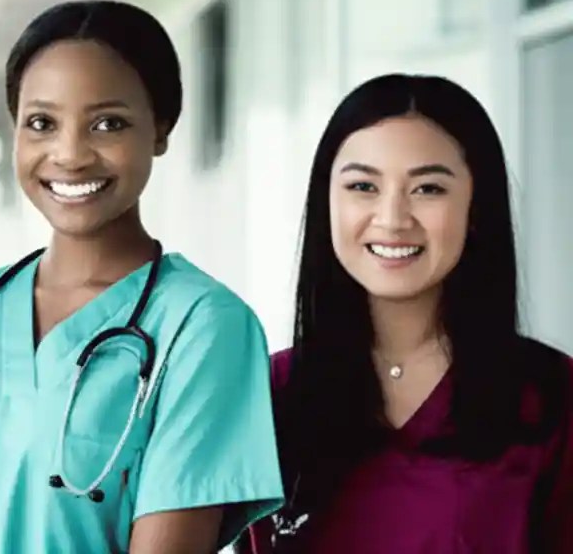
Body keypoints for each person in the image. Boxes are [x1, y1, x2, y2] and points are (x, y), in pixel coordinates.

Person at [0, 0, 284, 553]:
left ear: (161, 127)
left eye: (108, 123)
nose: (70, 154)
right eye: (42, 123)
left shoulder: (202, 327)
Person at [238, 74, 573, 553]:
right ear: (325, 202)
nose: (393, 218)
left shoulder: (552, 396)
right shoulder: (268, 396)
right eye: (363, 186)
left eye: (428, 189)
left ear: (476, 207)